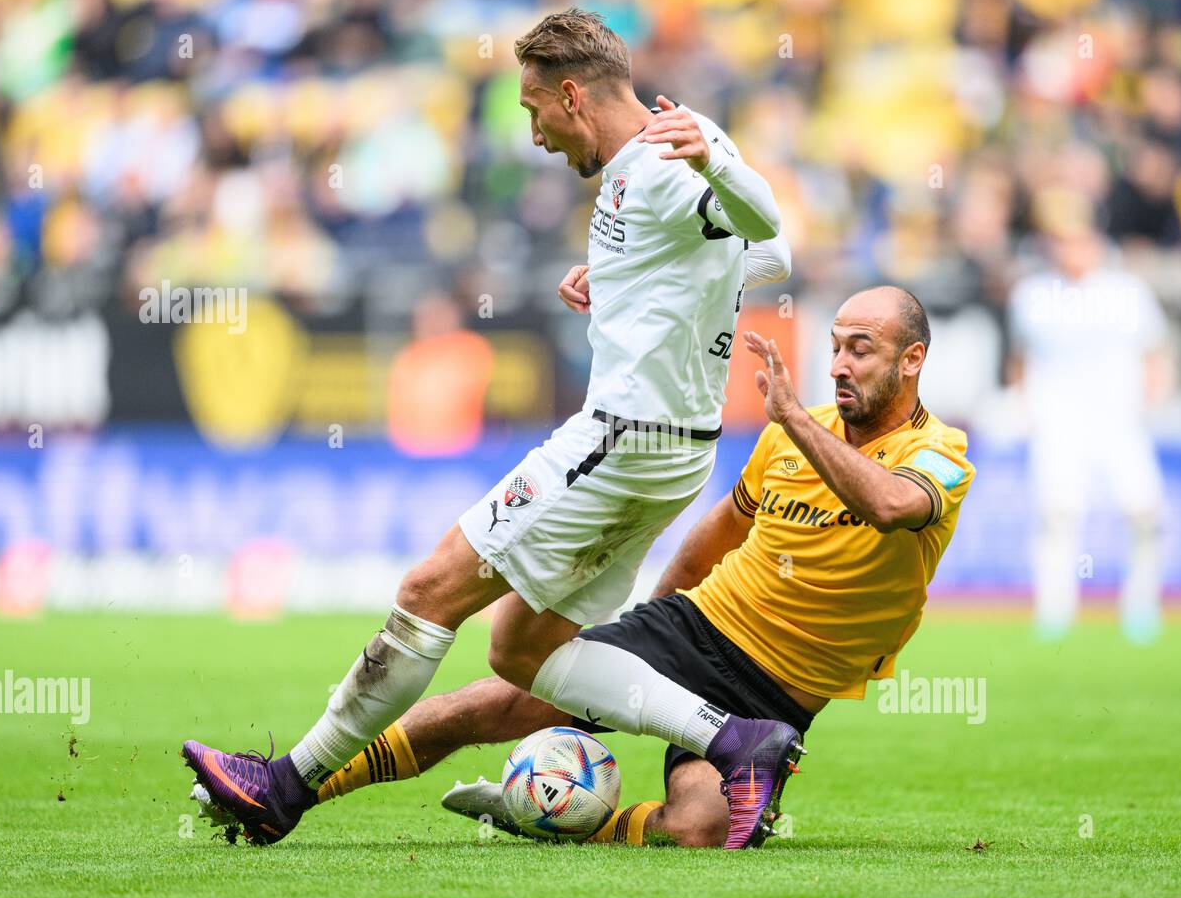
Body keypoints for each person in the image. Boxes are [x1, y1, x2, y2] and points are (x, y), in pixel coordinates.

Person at [182, 7, 796, 848]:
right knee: (522, 647)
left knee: (429, 591)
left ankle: (283, 785)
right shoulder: (648, 162)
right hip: (673, 452)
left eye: (533, 107)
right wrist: (625, 279)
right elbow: (755, 258)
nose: (535, 132)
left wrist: (719, 158)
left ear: (573, 94)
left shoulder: (665, 160)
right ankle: (736, 740)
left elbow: (767, 230)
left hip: (621, 440)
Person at [244, 286, 976, 847]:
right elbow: (714, 534)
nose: (841, 363)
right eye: (837, 346)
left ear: (912, 360)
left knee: (701, 831)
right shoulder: (790, 438)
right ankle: (290, 789)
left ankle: (559, 813)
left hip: (781, 696)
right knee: (490, 703)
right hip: (697, 631)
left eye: (862, 349)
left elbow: (886, 505)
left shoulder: (938, 454)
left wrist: (795, 420)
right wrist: (650, 633)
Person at [1007, 190, 1168, 643]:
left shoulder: (1127, 292)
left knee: (1145, 513)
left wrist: (1150, 401)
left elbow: (1155, 352)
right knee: (1058, 515)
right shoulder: (1033, 295)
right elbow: (1020, 360)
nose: (1069, 249)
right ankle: (1054, 612)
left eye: (1077, 238)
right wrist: (1027, 407)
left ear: (1095, 240)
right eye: (1061, 239)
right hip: (1059, 425)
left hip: (1119, 422)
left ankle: (1141, 607)